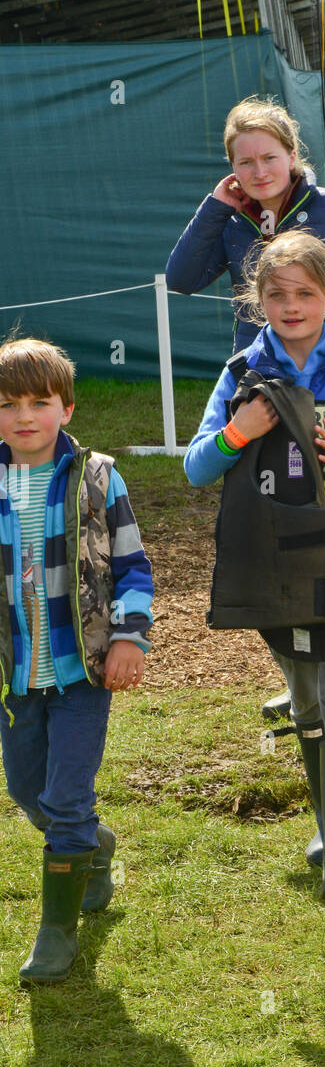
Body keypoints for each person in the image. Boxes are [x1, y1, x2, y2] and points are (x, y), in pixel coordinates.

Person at [184, 231, 325, 905]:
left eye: (305, 293)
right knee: (305, 696)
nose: (290, 305)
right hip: (273, 565)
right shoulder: (240, 374)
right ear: (258, 302)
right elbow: (197, 466)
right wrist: (238, 432)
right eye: (275, 294)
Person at [0, 336, 154, 986]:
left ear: (66, 408)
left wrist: (128, 638)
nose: (24, 416)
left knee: (65, 797)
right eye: (8, 404)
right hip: (15, 679)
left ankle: (56, 932)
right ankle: (93, 845)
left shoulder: (97, 476)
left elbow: (133, 568)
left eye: (40, 401)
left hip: (81, 671)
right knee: (28, 793)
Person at [166, 95, 325, 386]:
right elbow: (180, 280)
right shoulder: (230, 221)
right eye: (246, 162)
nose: (259, 172)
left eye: (269, 158)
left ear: (291, 156)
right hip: (257, 379)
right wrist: (214, 208)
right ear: (233, 169)